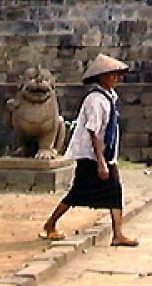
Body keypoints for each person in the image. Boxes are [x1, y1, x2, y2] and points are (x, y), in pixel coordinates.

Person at [41, 53, 138, 247]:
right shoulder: (95, 100)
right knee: (78, 193)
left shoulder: (110, 97)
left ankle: (118, 233)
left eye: (117, 75)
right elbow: (93, 131)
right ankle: (50, 224)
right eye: (112, 75)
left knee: (114, 192)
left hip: (106, 154)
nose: (115, 78)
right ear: (101, 77)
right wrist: (100, 160)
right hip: (92, 155)